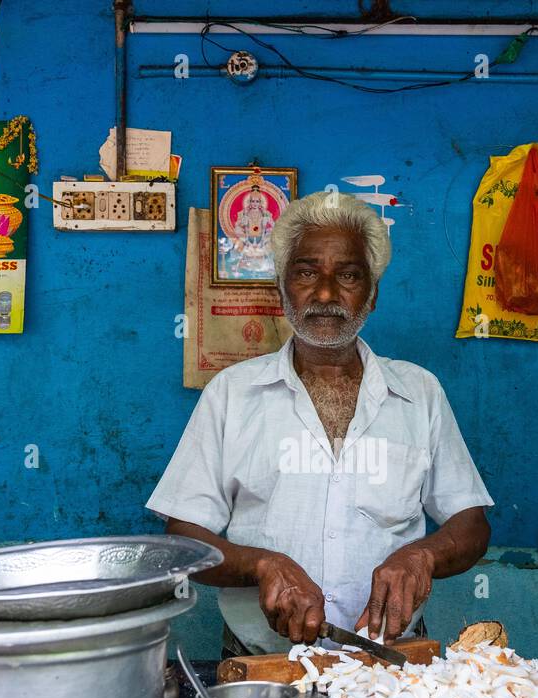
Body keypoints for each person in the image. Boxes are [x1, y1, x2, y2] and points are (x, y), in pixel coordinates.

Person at [147, 192, 492, 657]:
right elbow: (184, 541)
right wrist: (262, 565)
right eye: (307, 272)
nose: (326, 294)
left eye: (348, 275)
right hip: (261, 657)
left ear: (372, 294)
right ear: (281, 288)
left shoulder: (420, 392)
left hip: (390, 660)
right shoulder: (231, 394)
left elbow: (471, 524)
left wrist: (421, 556)